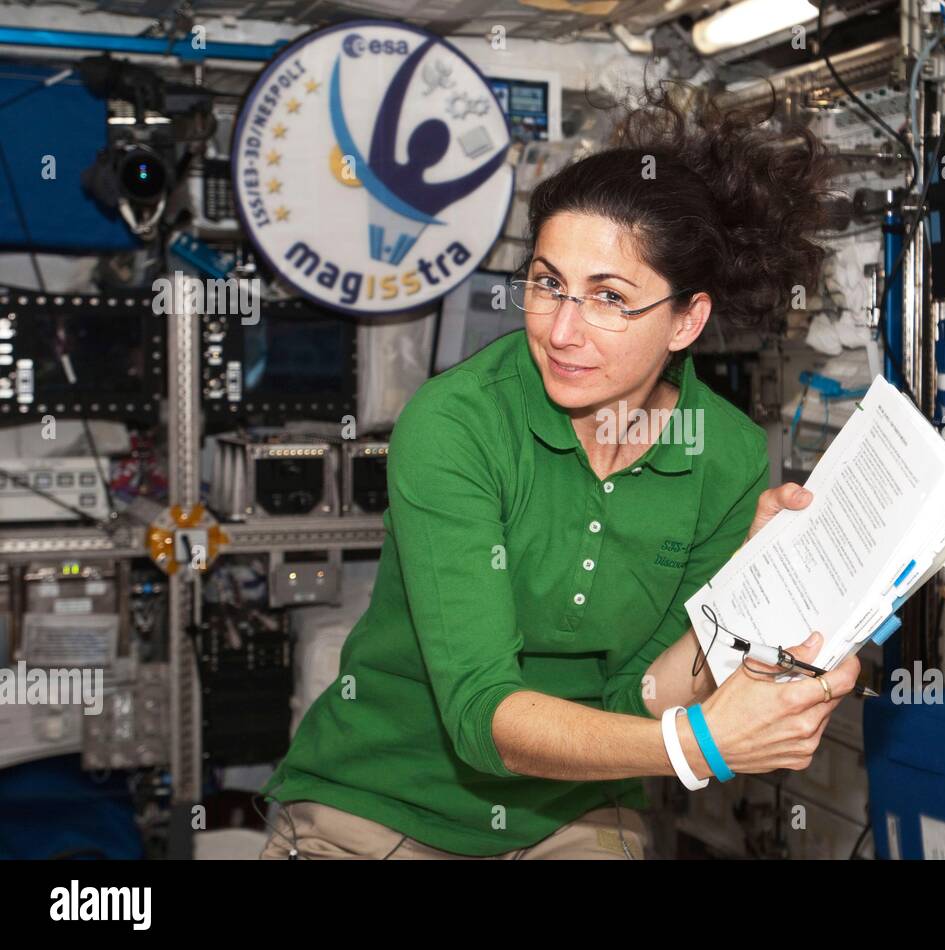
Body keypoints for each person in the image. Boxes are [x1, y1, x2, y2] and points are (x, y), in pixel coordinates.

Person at [259, 79, 858, 860]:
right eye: (548, 285)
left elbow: (641, 695)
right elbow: (482, 716)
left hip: (565, 817)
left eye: (609, 297)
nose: (562, 331)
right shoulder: (458, 423)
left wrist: (749, 597)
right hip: (375, 805)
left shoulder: (729, 454)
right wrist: (698, 747)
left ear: (688, 319)